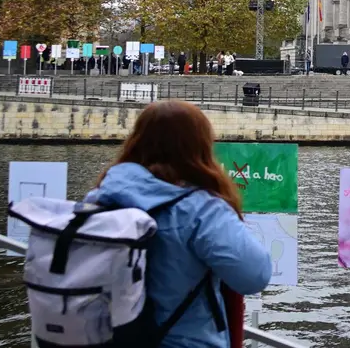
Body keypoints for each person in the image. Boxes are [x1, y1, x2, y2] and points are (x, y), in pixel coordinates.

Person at [86, 101, 271, 347]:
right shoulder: (201, 210)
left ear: (136, 140)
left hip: (108, 339)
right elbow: (255, 276)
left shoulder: (101, 196)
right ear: (201, 146)